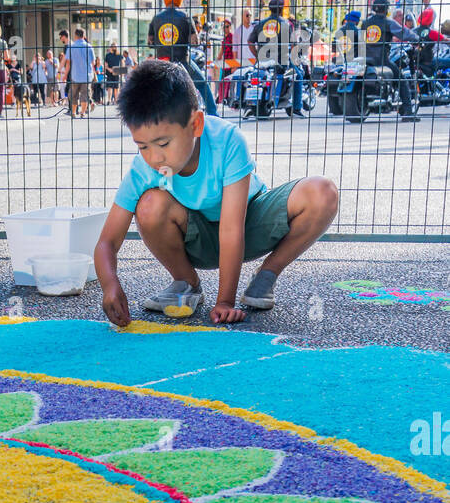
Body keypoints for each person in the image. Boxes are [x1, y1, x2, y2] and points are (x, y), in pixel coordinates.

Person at [93, 60, 338, 326]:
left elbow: (232, 229)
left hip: (248, 225)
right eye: (142, 146)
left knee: (322, 192)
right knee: (149, 205)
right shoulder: (144, 168)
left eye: (163, 143)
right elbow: (107, 242)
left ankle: (266, 274)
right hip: (197, 239)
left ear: (196, 124)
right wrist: (110, 285)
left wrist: (224, 302)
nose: (154, 157)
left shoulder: (228, 141)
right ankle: (186, 283)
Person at [147, 0, 217, 115]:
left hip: (162, 61)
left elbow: (150, 42)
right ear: (180, 0)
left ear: (165, 0)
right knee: (202, 85)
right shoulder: (185, 16)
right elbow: (195, 41)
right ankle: (213, 114)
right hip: (182, 60)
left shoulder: (156, 18)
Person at [360, 0, 420, 122]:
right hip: (382, 60)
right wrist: (417, 39)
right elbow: (404, 33)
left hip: (365, 60)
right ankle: (408, 113)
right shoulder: (388, 22)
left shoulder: (365, 23)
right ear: (386, 9)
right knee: (401, 80)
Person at [248, 0, 305, 118]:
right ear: (281, 9)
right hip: (282, 60)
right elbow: (294, 44)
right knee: (298, 76)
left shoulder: (261, 24)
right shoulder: (286, 24)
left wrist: (257, 56)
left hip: (263, 60)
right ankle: (296, 108)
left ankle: (250, 105)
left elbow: (250, 42)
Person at [64, 25, 95, 117]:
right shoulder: (89, 47)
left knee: (73, 95)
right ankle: (82, 112)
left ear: (76, 35)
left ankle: (73, 112)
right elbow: (93, 62)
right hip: (86, 75)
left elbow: (68, 63)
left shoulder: (71, 47)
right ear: (83, 35)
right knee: (85, 95)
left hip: (75, 75)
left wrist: (65, 74)